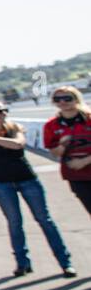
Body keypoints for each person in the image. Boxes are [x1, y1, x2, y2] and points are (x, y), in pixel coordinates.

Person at [0, 100, 75, 277]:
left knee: (44, 219)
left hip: (27, 179)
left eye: (5, 109)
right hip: (1, 182)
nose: (3, 113)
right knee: (14, 223)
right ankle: (22, 263)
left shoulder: (15, 128)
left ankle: (65, 262)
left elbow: (17, 144)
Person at [42, 86, 91, 218]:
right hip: (76, 176)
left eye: (67, 98)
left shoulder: (89, 119)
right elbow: (54, 152)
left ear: (76, 99)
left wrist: (85, 161)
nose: (62, 102)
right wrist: (63, 145)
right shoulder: (51, 125)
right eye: (57, 99)